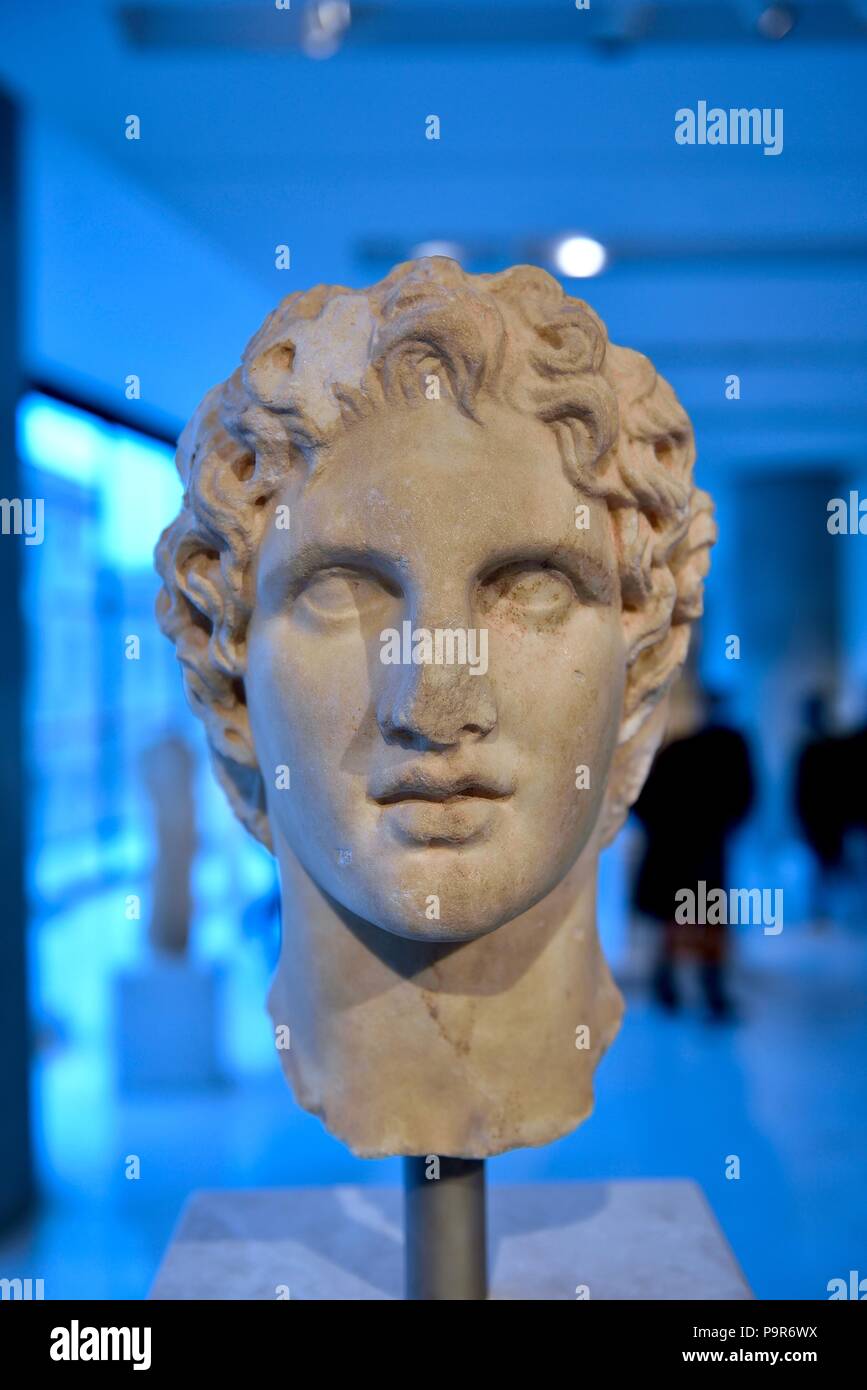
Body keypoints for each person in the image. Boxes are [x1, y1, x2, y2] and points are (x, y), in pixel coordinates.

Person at [632, 681, 754, 1019]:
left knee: (692, 917)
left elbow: (643, 802)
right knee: (699, 916)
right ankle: (696, 986)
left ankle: (683, 984)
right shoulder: (719, 747)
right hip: (693, 849)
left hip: (682, 848)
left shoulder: (686, 749)